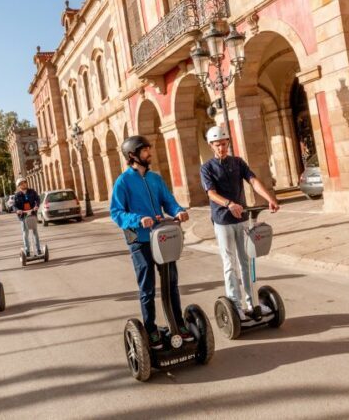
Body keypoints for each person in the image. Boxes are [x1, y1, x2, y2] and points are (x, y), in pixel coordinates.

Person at [111, 135, 192, 350]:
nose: (149, 153)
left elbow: (168, 201)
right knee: (147, 287)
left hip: (162, 237)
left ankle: (178, 323)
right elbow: (116, 213)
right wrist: (138, 219)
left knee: (170, 282)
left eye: (149, 149)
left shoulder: (155, 178)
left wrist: (179, 211)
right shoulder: (123, 182)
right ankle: (151, 329)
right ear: (133, 155)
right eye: (145, 150)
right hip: (139, 239)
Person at [200, 125, 279, 319]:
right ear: (211, 145)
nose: (222, 148)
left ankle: (252, 304)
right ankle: (235, 305)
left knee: (247, 261)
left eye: (224, 144)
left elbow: (252, 180)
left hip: (242, 218)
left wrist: (269, 198)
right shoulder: (207, 168)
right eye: (218, 145)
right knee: (230, 263)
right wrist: (229, 204)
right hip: (222, 220)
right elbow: (211, 193)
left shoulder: (237, 162)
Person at [13, 177, 41, 256]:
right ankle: (27, 251)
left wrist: (36, 206)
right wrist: (17, 210)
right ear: (19, 186)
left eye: (24, 182)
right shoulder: (17, 195)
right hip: (23, 216)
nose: (24, 184)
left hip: (32, 214)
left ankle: (38, 249)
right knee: (25, 233)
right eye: (21, 183)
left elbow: (37, 199)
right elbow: (14, 206)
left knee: (35, 232)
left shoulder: (32, 192)